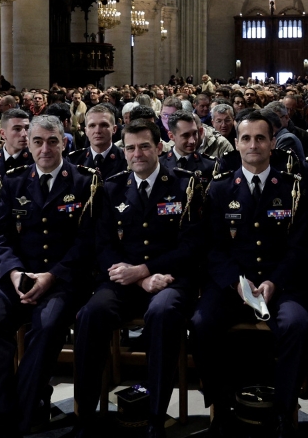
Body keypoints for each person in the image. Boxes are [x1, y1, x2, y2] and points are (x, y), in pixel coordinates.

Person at [70, 119, 202, 438]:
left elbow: (191, 245)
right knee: (91, 314)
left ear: (159, 147)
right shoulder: (112, 186)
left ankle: (155, 416)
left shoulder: (185, 184)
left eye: (144, 146)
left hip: (170, 279)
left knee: (162, 314)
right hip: (122, 279)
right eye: (130, 148)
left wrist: (145, 270)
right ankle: (85, 413)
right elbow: (102, 244)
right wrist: (135, 277)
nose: (137, 153)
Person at [0, 115, 99, 437]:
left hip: (62, 280)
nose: (46, 149)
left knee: (47, 326)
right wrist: (13, 272)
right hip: (18, 277)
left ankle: (20, 416)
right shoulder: (12, 181)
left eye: (53, 141)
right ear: (27, 144)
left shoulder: (85, 182)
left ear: (65, 142)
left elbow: (87, 242)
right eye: (38, 141)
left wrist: (52, 276)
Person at [192, 109, 308, 438]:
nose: (253, 144)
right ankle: (220, 408)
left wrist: (275, 281)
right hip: (233, 285)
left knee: (298, 324)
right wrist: (237, 283)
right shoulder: (219, 190)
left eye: (260, 137)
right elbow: (214, 249)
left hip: (280, 284)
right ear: (236, 143)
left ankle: (284, 412)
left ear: (273, 143)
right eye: (246, 138)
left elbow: (299, 248)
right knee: (202, 323)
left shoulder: (293, 189)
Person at [67, 103, 127, 179]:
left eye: (104, 125)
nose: (97, 131)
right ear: (86, 131)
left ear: (114, 129)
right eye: (92, 126)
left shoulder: (126, 159)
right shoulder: (74, 160)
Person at [160, 110, 215, 180]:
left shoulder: (209, 165)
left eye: (195, 133)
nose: (192, 141)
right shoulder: (159, 165)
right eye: (186, 135)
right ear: (171, 136)